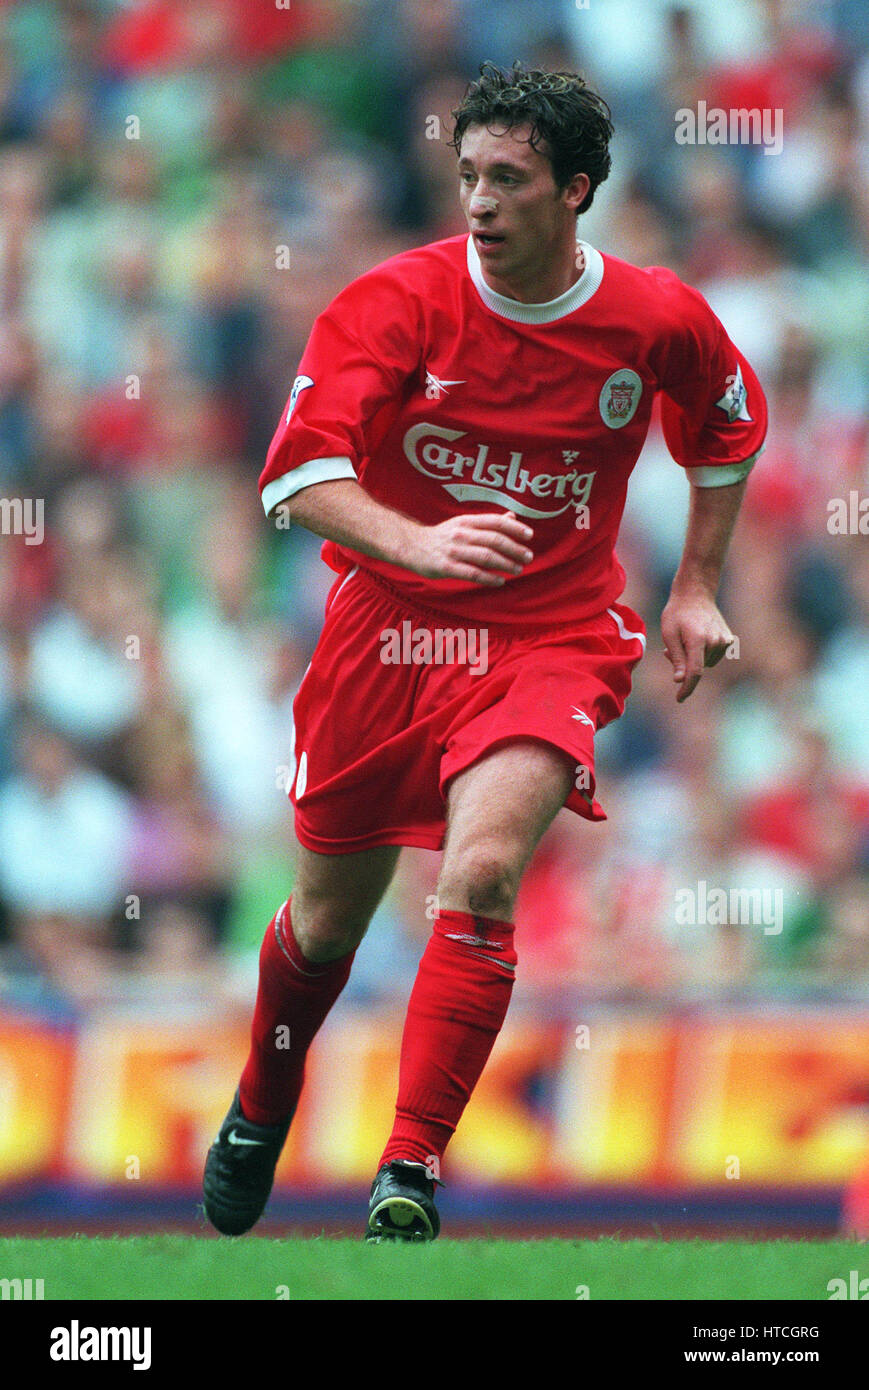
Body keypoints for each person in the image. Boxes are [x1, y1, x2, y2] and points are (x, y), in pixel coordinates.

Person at [203, 62, 768, 1242]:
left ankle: (408, 1164)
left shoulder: (651, 317)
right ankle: (263, 1099)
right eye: (465, 176)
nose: (477, 202)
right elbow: (295, 476)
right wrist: (416, 540)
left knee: (482, 873)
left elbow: (720, 421)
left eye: (506, 179)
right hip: (387, 637)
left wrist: (696, 586)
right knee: (323, 926)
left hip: (549, 638)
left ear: (573, 192)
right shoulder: (395, 304)